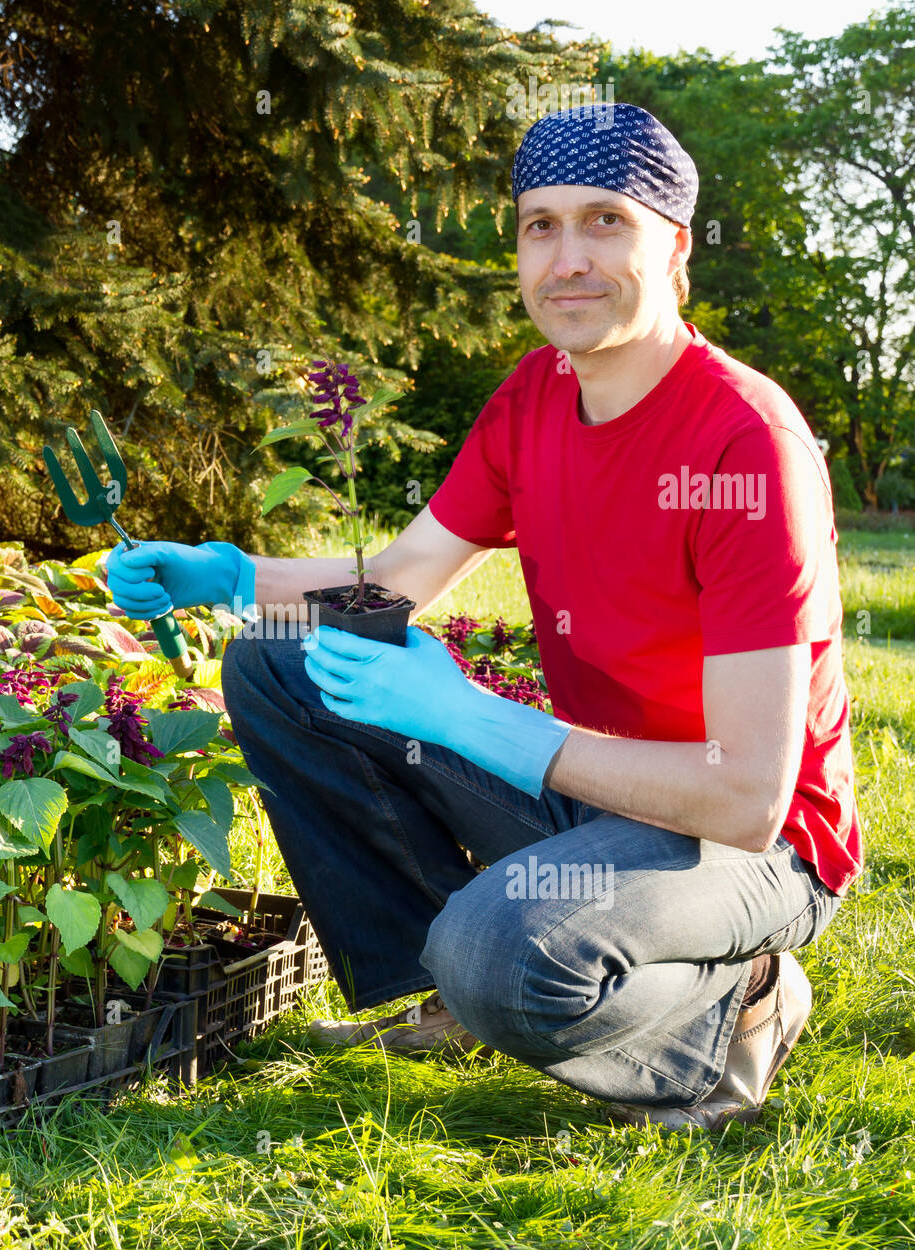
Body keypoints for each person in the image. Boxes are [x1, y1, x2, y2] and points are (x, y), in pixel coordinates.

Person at [102, 103, 863, 1131]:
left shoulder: (743, 446)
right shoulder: (533, 397)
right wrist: (231, 578)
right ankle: (444, 993)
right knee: (281, 664)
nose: (567, 259)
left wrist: (466, 718)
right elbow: (400, 575)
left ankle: (732, 1007)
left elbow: (743, 798)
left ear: (675, 246)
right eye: (538, 226)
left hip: (750, 848)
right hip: (598, 795)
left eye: (604, 222)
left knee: (496, 953)